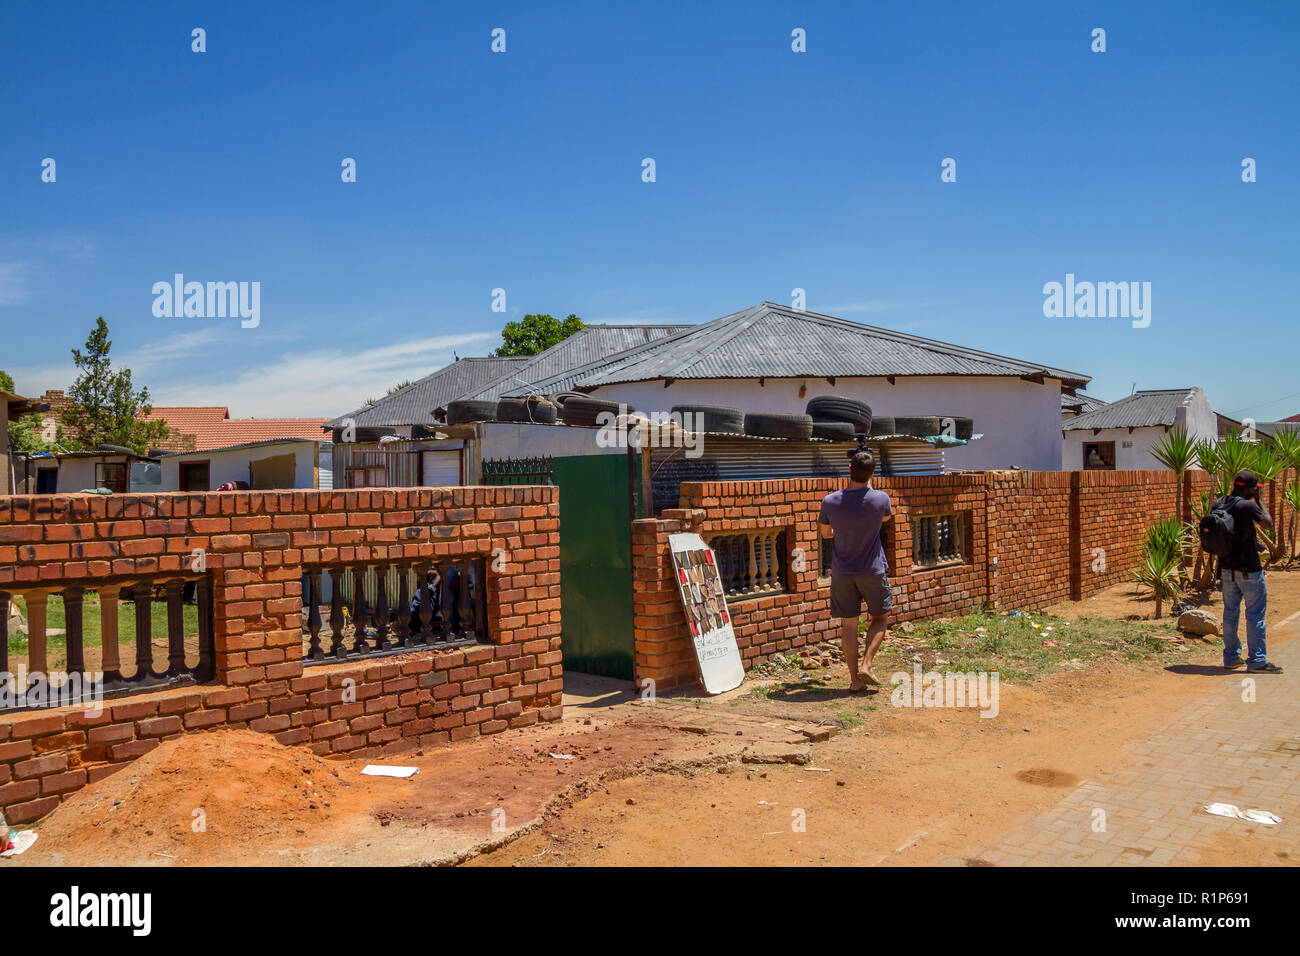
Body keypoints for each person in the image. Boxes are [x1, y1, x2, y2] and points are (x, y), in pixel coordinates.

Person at [819, 449, 894, 691]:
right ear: (873, 473)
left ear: (849, 470)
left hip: (842, 572)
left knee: (849, 625)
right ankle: (867, 665)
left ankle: (853, 682)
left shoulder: (830, 501)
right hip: (872, 570)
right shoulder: (881, 499)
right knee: (880, 617)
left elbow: (825, 534)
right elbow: (885, 519)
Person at [1217, 470, 1282, 674]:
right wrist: (1259, 500)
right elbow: (1268, 524)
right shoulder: (1248, 505)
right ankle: (1257, 661)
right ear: (1252, 489)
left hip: (1226, 569)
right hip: (1250, 570)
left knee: (1230, 613)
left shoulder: (1218, 504)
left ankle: (1231, 657)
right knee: (1254, 615)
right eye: (1256, 489)